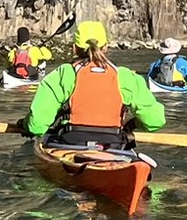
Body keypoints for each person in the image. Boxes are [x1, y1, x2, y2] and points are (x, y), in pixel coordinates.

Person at [19, 20, 165, 146]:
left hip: (70, 142)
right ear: (106, 47)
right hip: (113, 143)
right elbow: (155, 121)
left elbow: (36, 126)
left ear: (74, 48)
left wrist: (24, 124)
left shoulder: (63, 74)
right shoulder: (126, 77)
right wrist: (132, 125)